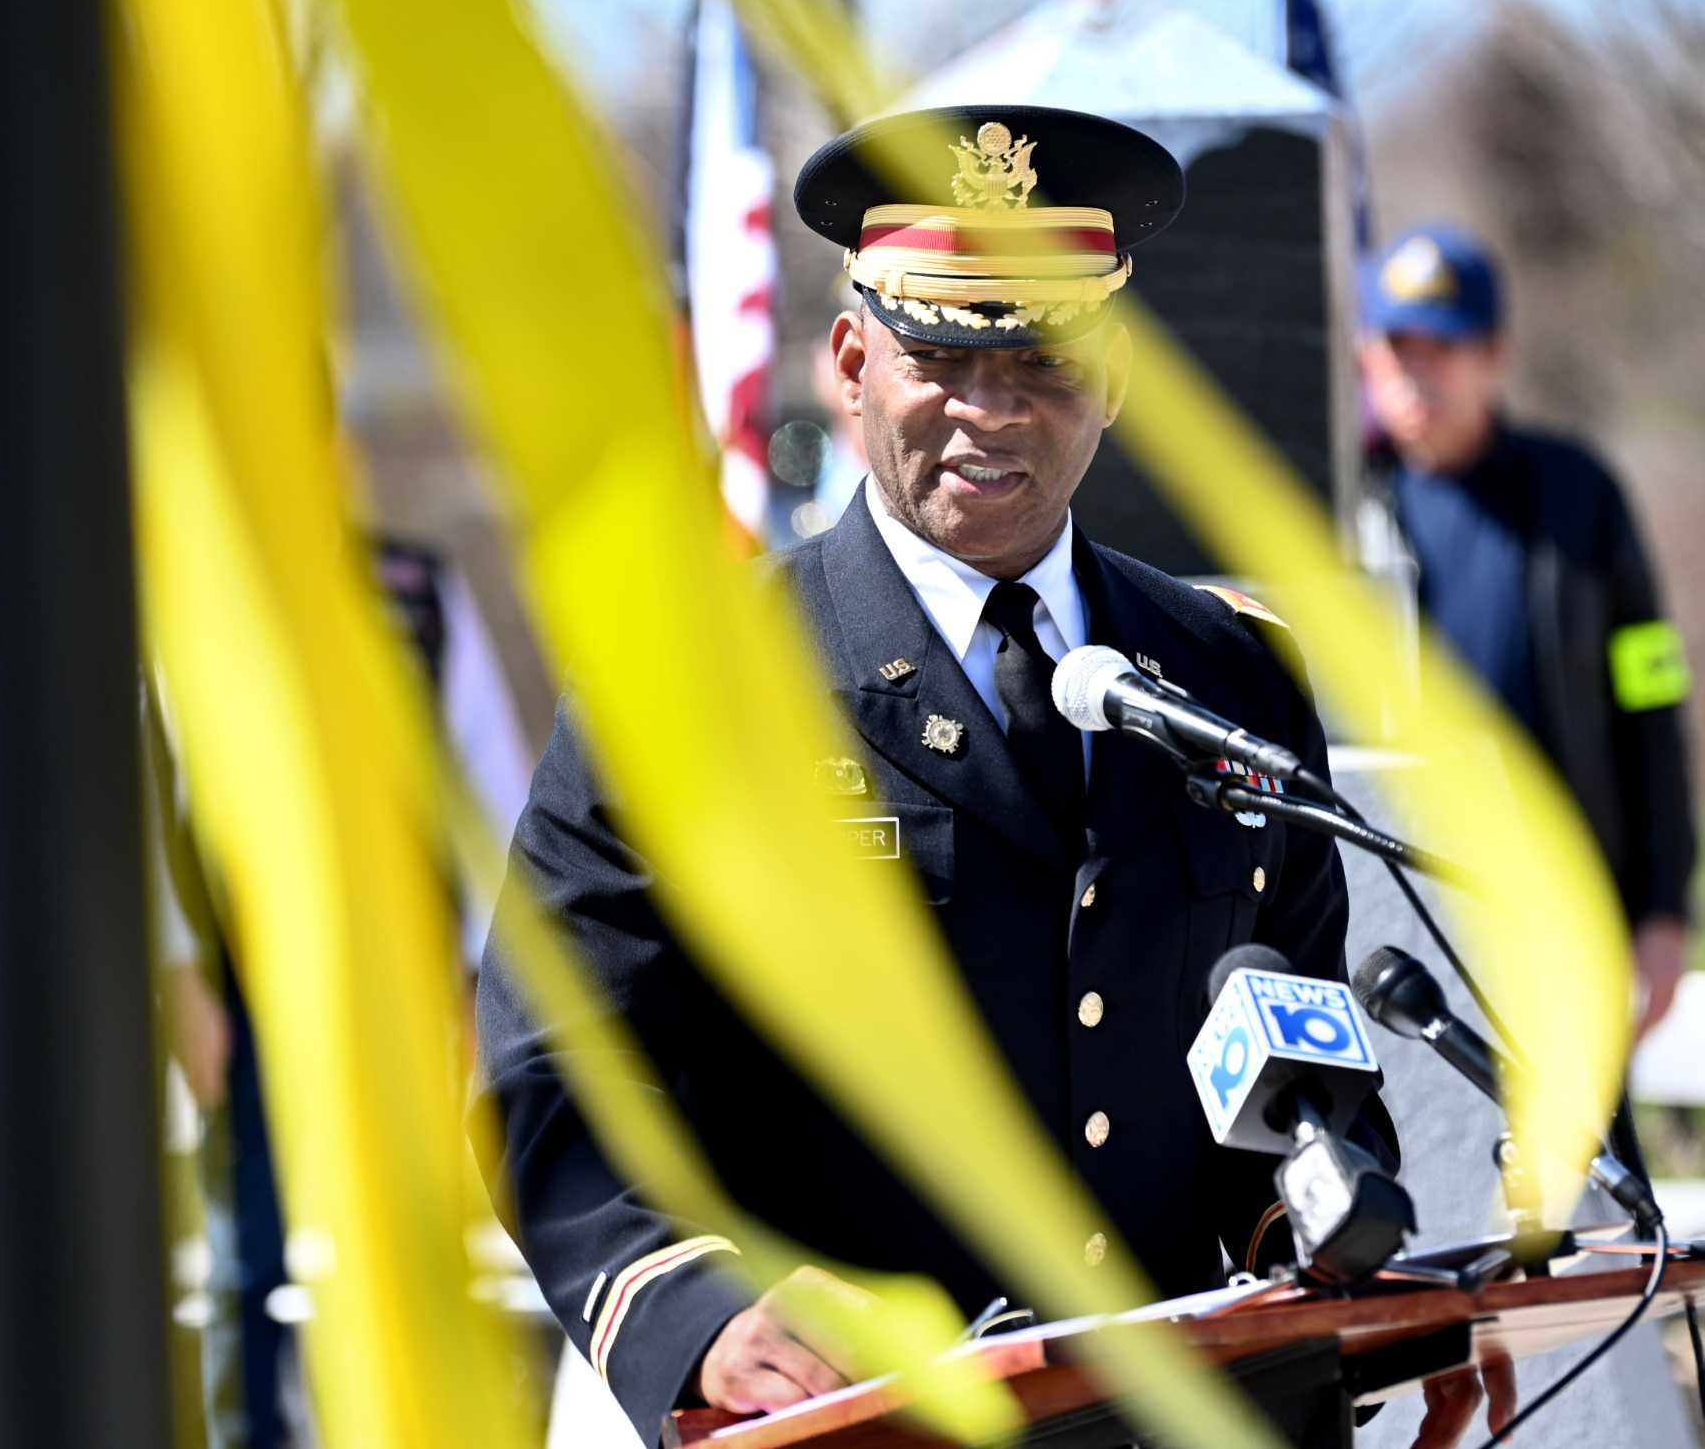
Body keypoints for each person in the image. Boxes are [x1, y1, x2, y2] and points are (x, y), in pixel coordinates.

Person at [475, 107, 1438, 1448]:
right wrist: (704, 1312)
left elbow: (1289, 1030)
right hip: (860, 1417)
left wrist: (1339, 1232)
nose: (989, 411)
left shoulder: (1226, 671)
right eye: (938, 355)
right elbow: (555, 1064)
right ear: (851, 358)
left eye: (1041, 360)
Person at [1354, 225, 1696, 1044]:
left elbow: (1651, 697)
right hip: (1402, 914)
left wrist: (1661, 908)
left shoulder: (1578, 498)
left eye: (1442, 347)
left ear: (1496, 356)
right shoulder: (1345, 511)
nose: (1416, 373)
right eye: (1397, 349)